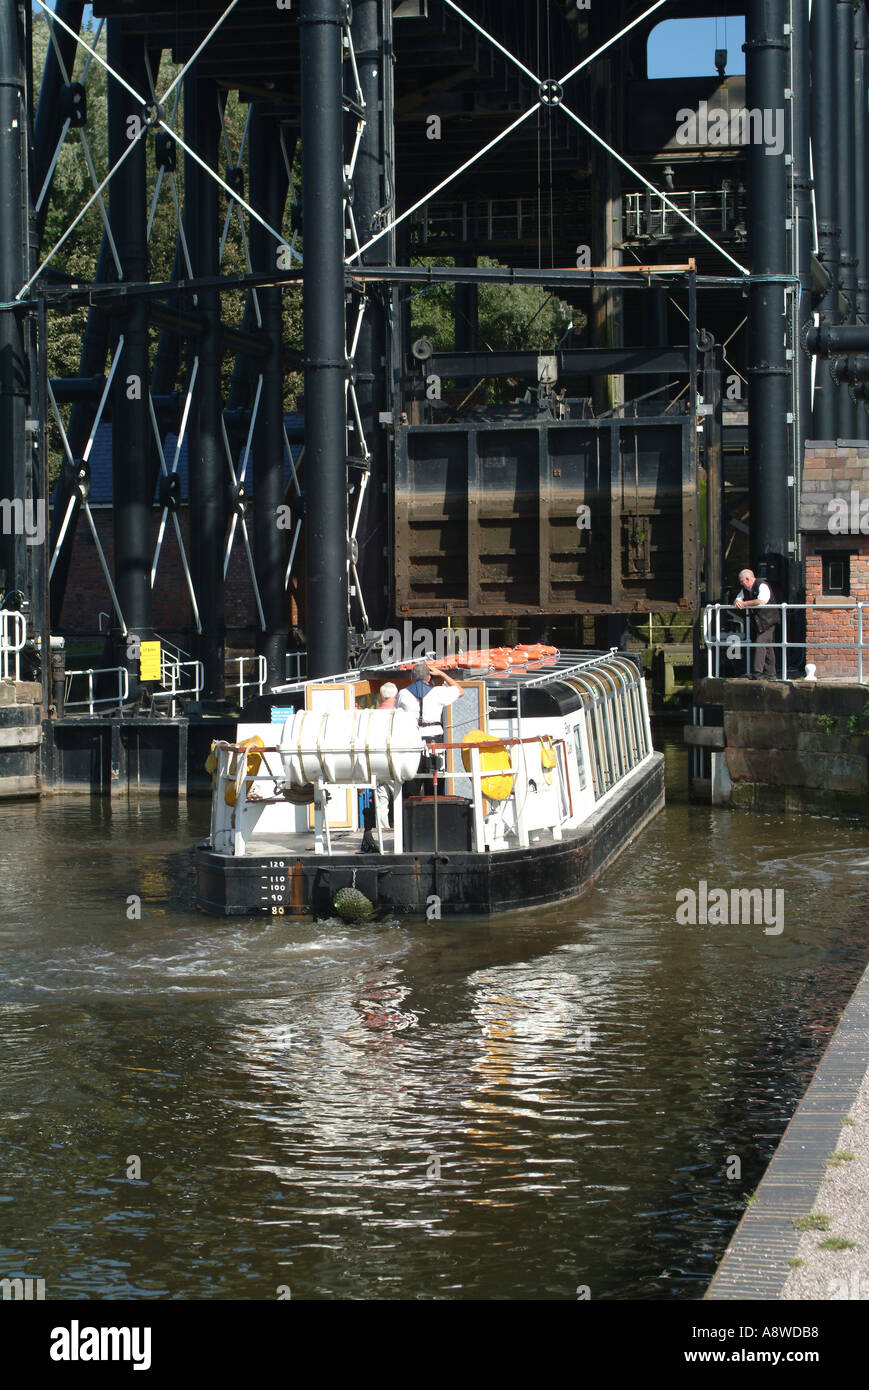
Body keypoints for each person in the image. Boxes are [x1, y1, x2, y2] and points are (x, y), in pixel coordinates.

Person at [396, 661, 462, 795]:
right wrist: (442, 674)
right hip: (435, 742)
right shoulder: (438, 692)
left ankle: (409, 811)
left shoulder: (403, 693)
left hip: (412, 742)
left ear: (411, 677)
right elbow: (460, 691)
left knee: (411, 781)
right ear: (429, 677)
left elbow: (398, 714)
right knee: (435, 784)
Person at [734, 568, 778, 678]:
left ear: (748, 579)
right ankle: (771, 673)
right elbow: (738, 598)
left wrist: (744, 604)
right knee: (767, 647)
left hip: (769, 621)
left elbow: (761, 601)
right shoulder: (745, 589)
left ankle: (757, 672)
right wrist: (737, 601)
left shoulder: (762, 585)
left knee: (760, 642)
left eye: (741, 581)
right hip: (760, 622)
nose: (741, 583)